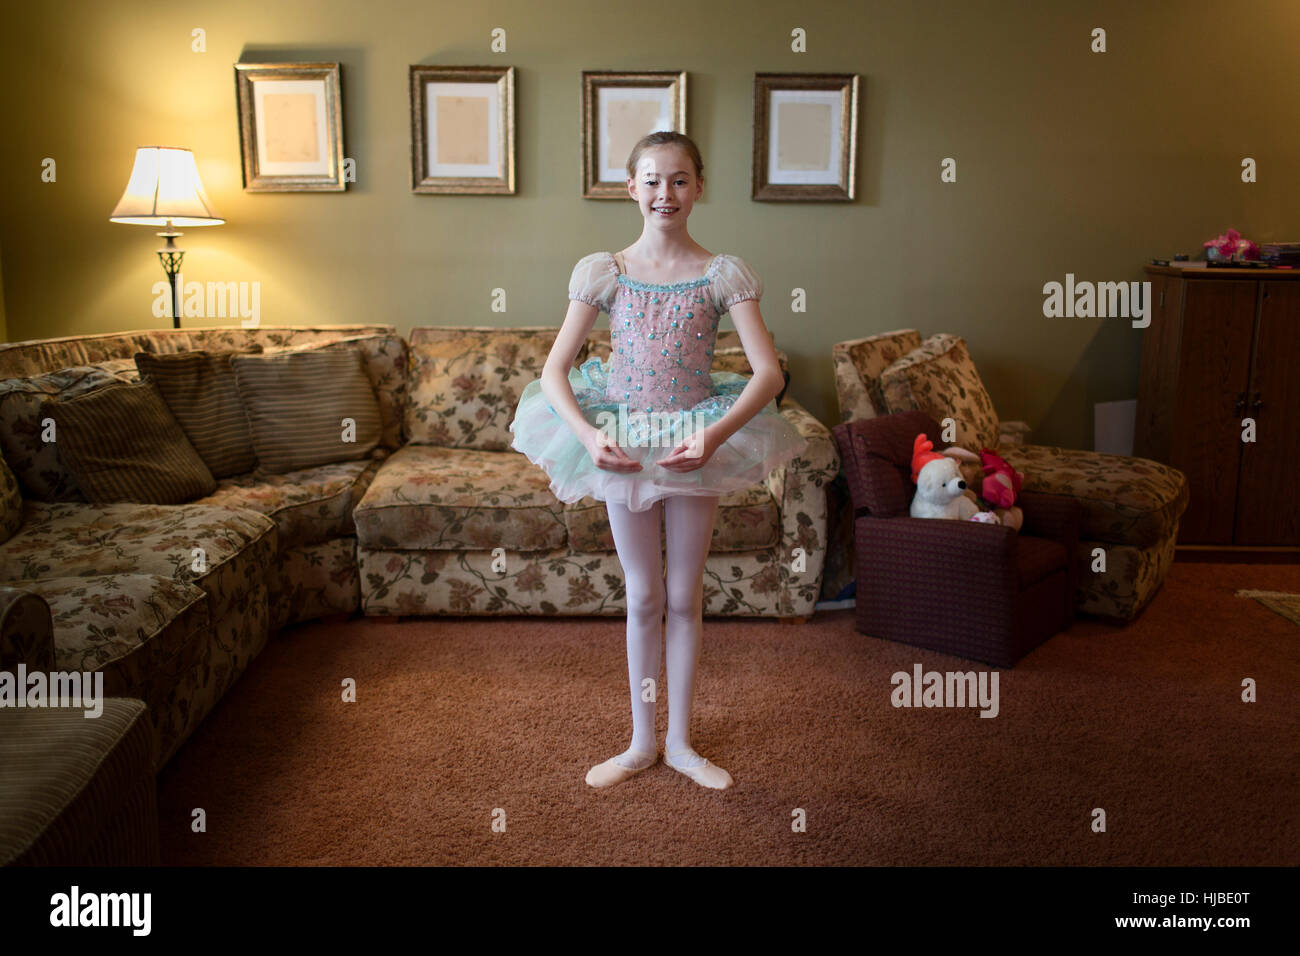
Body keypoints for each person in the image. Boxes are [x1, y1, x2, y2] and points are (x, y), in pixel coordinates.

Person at [509, 131, 807, 790]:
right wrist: (588, 436)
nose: (664, 193)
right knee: (643, 596)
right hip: (620, 439)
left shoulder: (722, 273)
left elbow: (768, 374)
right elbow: (555, 371)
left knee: (682, 593)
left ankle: (682, 741)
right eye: (651, 180)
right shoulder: (603, 271)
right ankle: (641, 741)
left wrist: (715, 437)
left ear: (698, 187)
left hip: (693, 439)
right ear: (630, 188)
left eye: (678, 180)